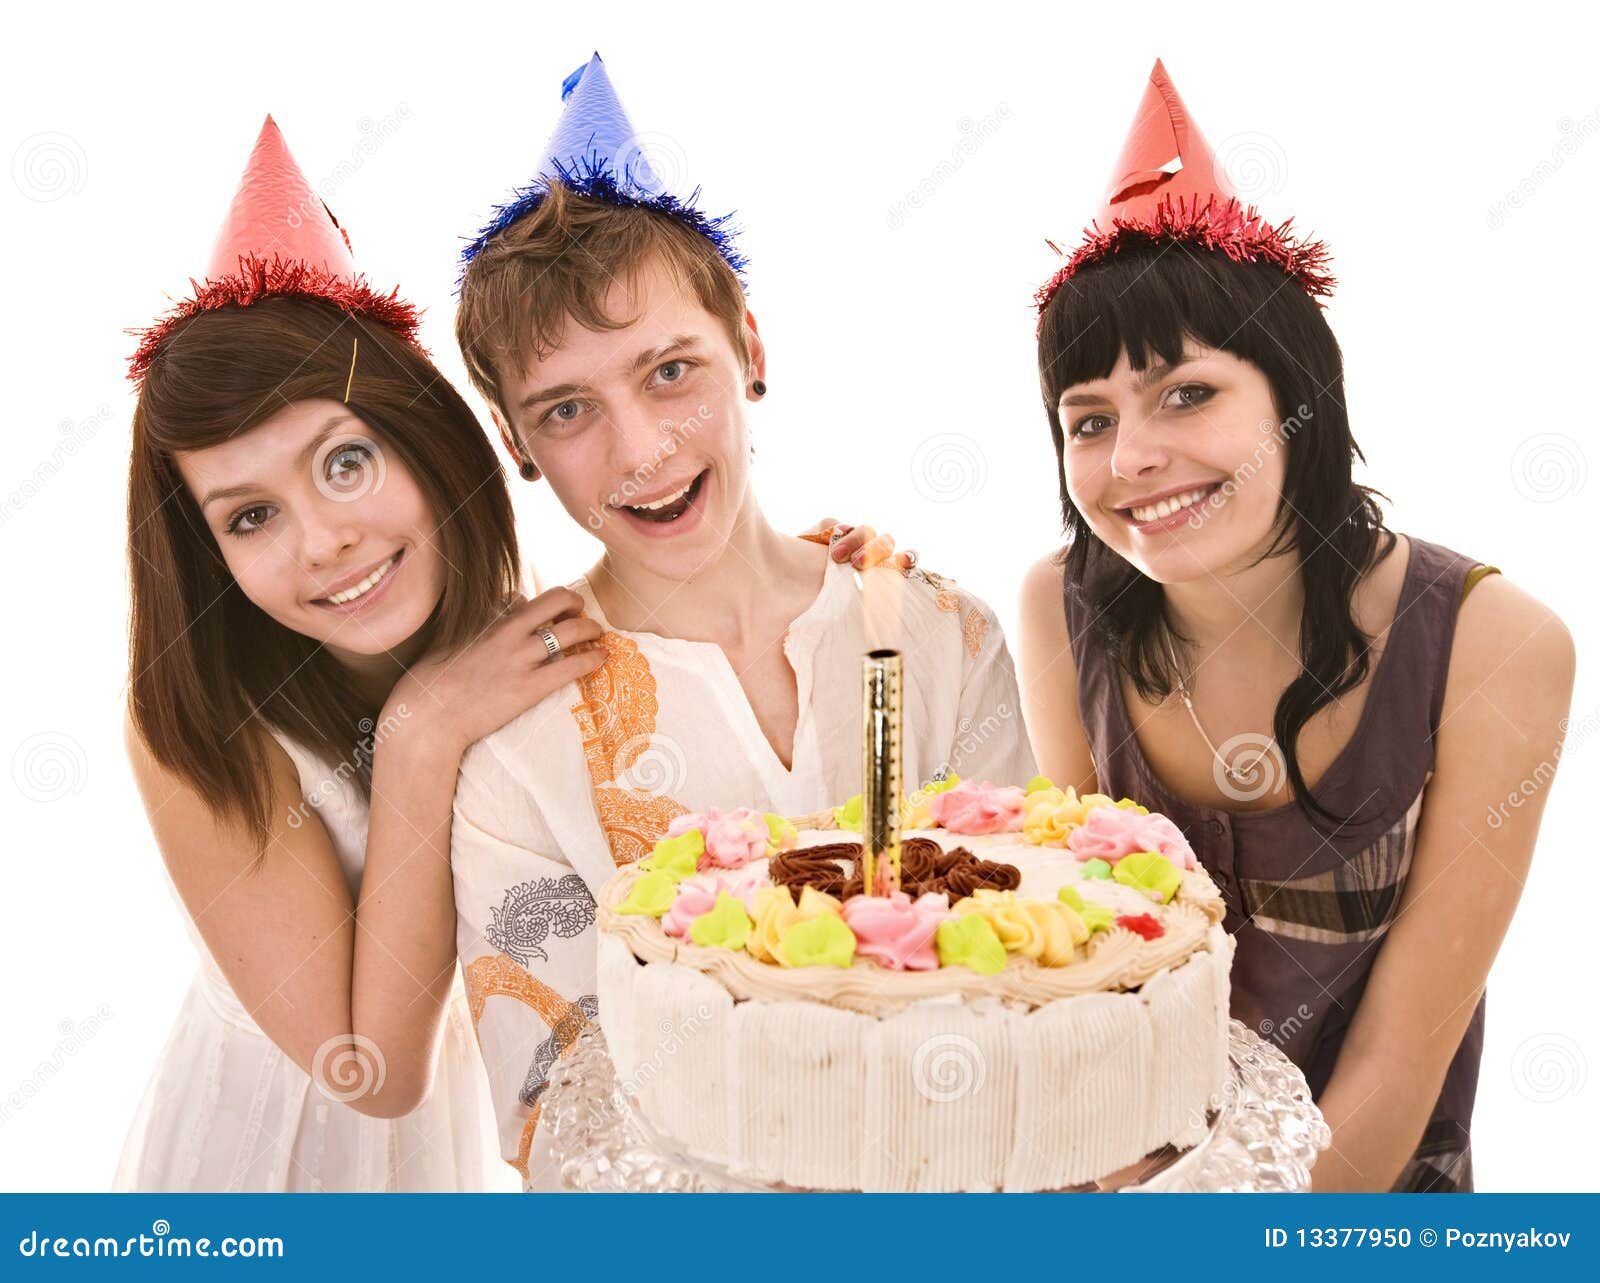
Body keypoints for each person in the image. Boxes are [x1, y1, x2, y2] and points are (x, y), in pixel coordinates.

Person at [115, 116, 896, 1192]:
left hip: (457, 1146)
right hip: (266, 1163)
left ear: (430, 438)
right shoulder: (197, 723)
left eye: (344, 461)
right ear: (205, 552)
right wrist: (421, 734)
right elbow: (372, 1069)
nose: (323, 537)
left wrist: (815, 579)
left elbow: (665, 603)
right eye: (249, 517)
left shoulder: (499, 631)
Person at [445, 54, 1038, 1186]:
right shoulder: (517, 735)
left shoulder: (942, 635)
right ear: (516, 443)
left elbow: (1024, 977)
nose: (642, 449)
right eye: (567, 409)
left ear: (750, 350)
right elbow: (552, 1111)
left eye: (671, 370)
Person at [1016, 61, 1574, 1192]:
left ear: (1295, 399)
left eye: (1187, 393)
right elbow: (1084, 987)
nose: (1129, 461)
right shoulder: (1058, 606)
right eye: (1089, 418)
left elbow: (1396, 1062)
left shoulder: (1494, 643)